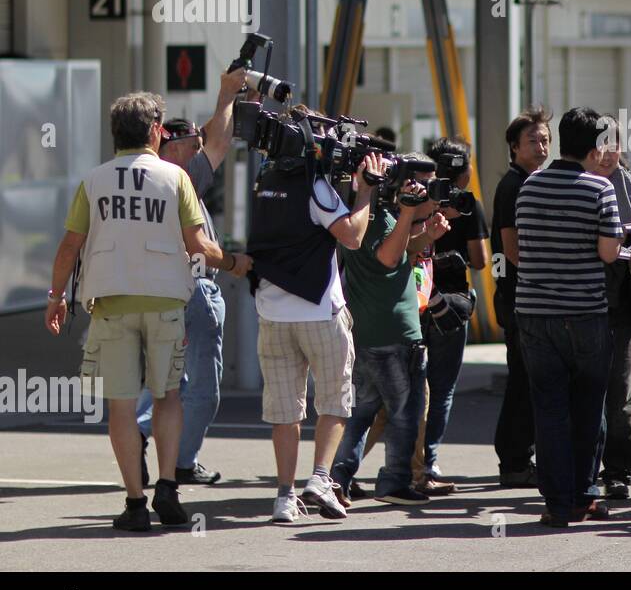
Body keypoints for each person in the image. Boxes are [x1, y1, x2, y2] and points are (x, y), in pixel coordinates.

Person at [45, 92, 250, 531]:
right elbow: (199, 247)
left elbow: (68, 247)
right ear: (156, 131)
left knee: (121, 406)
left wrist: (56, 296)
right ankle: (168, 490)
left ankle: (135, 504)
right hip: (165, 303)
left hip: (111, 305)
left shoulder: (93, 181)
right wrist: (234, 262)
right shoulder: (175, 180)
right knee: (168, 396)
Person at [246, 125, 380, 524]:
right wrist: (365, 192)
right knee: (335, 400)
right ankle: (321, 478)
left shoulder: (264, 183)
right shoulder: (318, 188)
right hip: (320, 312)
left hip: (272, 312)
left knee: (286, 413)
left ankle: (284, 497)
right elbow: (352, 237)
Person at [135, 68, 247, 487]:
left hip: (155, 291)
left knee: (168, 378)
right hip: (194, 288)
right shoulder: (181, 176)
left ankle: (140, 431)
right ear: (174, 146)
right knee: (202, 385)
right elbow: (220, 139)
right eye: (193, 144)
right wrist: (225, 94)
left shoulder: (140, 181)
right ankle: (180, 460)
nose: (202, 149)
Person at [514, 107, 623, 527]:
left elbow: (524, 250)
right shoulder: (600, 190)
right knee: (588, 409)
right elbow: (608, 253)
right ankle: (583, 495)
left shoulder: (529, 187)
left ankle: (557, 503)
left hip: (536, 314)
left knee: (550, 410)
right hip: (585, 314)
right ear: (595, 147)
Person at [331, 156, 453, 506]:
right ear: (401, 186)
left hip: (373, 334)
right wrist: (407, 214)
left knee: (363, 412)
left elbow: (396, 253)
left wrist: (424, 232)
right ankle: (394, 482)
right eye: (423, 185)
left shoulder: (372, 215)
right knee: (405, 413)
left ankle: (338, 477)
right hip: (392, 335)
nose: (431, 193)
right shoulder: (382, 217)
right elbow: (387, 256)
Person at [417, 137, 489, 488]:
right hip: (452, 302)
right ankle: (428, 461)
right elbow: (480, 260)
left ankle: (404, 463)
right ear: (465, 171)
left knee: (408, 387)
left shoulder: (415, 196)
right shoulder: (467, 203)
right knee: (441, 387)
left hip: (415, 299)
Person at [491, 105, 551, 488]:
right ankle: (513, 461)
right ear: (514, 147)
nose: (542, 147)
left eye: (546, 140)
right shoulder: (514, 185)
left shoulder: (531, 181)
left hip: (523, 296)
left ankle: (518, 458)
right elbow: (509, 250)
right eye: (533, 140)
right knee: (523, 383)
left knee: (528, 381)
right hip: (519, 298)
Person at [592, 122, 631, 499]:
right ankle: (582, 467)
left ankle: (618, 471)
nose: (608, 152)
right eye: (601, 145)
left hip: (624, 307)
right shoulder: (577, 185)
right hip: (583, 301)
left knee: (622, 395)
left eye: (614, 144)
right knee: (582, 394)